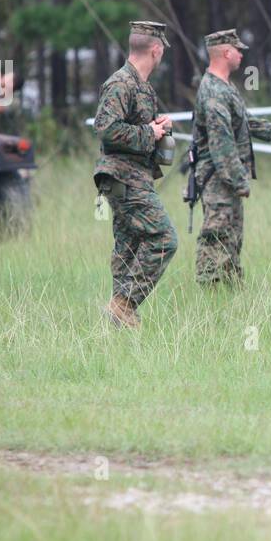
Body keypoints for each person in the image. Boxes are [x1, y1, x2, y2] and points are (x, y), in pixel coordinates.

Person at [192, 28, 271, 285]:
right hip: (218, 178)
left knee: (232, 238)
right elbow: (222, 145)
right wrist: (239, 180)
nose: (241, 54)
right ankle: (211, 293)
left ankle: (229, 291)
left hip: (225, 179)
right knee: (216, 235)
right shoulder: (214, 93)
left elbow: (245, 124)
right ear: (226, 52)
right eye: (238, 50)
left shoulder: (224, 88)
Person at [92, 21, 179, 328]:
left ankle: (120, 322)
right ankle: (123, 304)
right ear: (155, 50)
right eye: (162, 51)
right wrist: (148, 131)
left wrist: (159, 129)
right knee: (165, 238)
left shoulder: (144, 87)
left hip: (134, 177)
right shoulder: (121, 83)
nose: (163, 55)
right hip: (121, 178)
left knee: (127, 248)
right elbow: (105, 129)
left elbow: (135, 130)